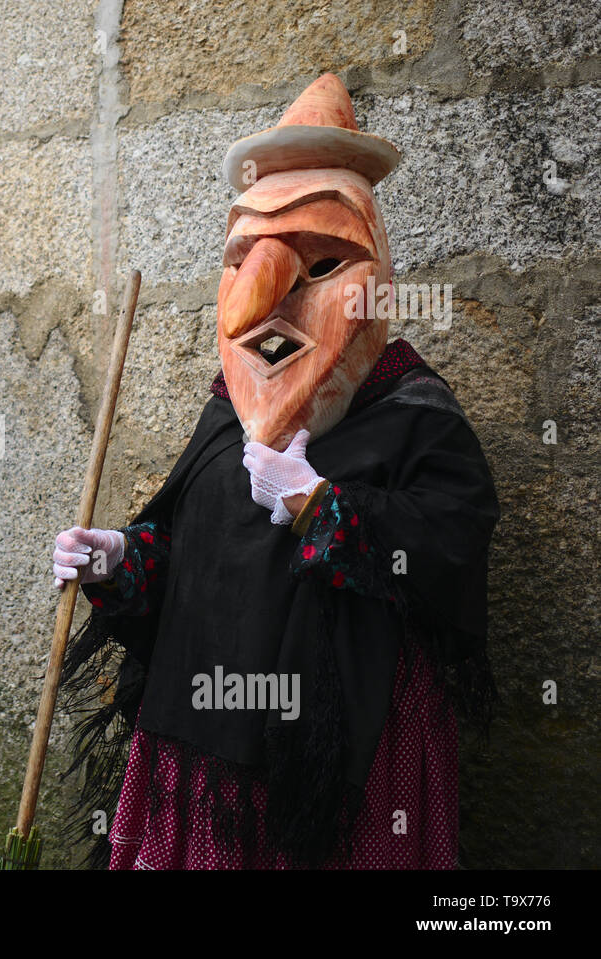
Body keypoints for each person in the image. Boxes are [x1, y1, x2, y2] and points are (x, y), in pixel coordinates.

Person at [53, 74, 498, 870]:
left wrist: (323, 507)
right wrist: (122, 559)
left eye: (321, 261)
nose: (266, 305)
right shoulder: (227, 407)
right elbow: (189, 554)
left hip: (339, 760)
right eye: (244, 261)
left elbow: (450, 552)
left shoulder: (412, 411)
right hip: (202, 740)